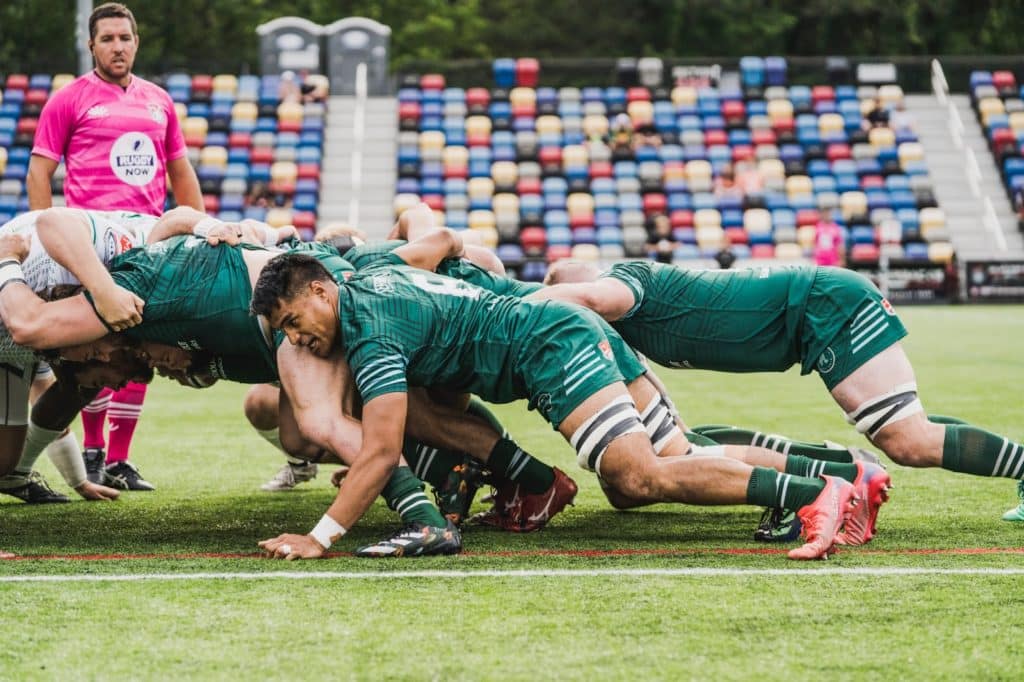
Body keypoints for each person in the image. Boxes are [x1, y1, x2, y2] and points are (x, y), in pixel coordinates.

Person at [249, 249, 860, 562]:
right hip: (554, 325)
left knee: (636, 476)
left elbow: (382, 452)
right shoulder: (375, 273)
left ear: (323, 291)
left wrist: (320, 536)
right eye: (284, 332)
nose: (296, 339)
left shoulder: (369, 326)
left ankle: (812, 498)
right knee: (668, 458)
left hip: (549, 343)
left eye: (295, 321)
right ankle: (840, 476)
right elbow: (437, 248)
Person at [536, 259, 1024, 522]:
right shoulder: (621, 332)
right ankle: (845, 467)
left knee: (909, 441)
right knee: (911, 432)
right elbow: (669, 422)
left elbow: (590, 297)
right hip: (814, 312)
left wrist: (511, 303)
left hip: (823, 307)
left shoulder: (620, 282)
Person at [26, 2, 203, 493]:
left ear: (136, 41)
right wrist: (49, 244)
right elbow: (40, 171)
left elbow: (179, 169)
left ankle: (121, 461)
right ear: (92, 46)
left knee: (139, 346)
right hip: (91, 242)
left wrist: (200, 224)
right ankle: (93, 451)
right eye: (107, 39)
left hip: (148, 240)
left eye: (124, 38)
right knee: (93, 349)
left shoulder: (159, 101)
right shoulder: (68, 100)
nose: (117, 46)